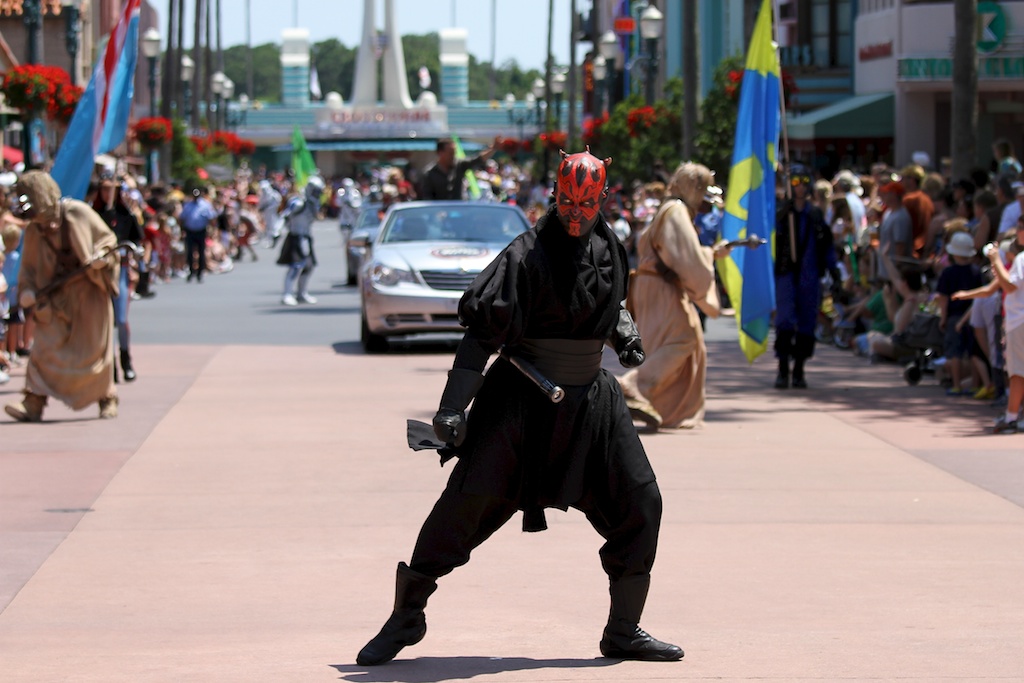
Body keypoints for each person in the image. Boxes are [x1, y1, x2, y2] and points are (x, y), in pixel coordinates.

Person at [356, 150, 683, 666]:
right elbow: (481, 335)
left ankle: (623, 629)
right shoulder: (525, 254)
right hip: (521, 406)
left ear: (602, 199)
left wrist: (623, 334)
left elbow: (609, 299)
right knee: (463, 508)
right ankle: (406, 617)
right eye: (568, 201)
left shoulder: (610, 246)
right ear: (555, 193)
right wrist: (451, 409)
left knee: (641, 504)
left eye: (588, 203)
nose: (576, 212)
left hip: (592, 405)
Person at [618, 162, 732, 430]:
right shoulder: (677, 211)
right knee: (684, 338)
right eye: (701, 189)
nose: (704, 198)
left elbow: (681, 254)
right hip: (659, 286)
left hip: (654, 285)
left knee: (675, 342)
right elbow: (686, 260)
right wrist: (708, 258)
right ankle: (634, 386)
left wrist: (712, 253)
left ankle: (655, 402)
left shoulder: (670, 209)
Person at [4, 171, 120, 422]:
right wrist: (26, 290)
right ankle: (33, 401)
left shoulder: (77, 212)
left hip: (88, 293)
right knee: (44, 347)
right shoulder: (35, 230)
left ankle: (106, 397)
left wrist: (102, 257)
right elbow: (29, 267)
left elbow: (108, 241)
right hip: (56, 298)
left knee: (94, 349)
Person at [774, 164, 840, 389]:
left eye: (803, 182)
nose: (799, 187)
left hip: (809, 276)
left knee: (807, 322)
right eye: (794, 182)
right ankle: (782, 369)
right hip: (786, 274)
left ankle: (799, 369)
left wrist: (834, 271)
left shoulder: (815, 214)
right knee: (784, 320)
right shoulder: (781, 213)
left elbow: (827, 245)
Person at [955, 223, 1024, 433]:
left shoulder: (1021, 260)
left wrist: (995, 260)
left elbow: (1010, 285)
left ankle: (1011, 418)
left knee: (1017, 373)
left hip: (1019, 322)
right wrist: (966, 295)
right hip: (1016, 322)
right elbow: (993, 288)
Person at [92, 176, 143, 383]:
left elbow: (137, 241)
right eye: (104, 189)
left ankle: (126, 360)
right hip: (100, 271)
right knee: (104, 321)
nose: (108, 193)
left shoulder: (125, 215)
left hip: (120, 270)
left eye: (112, 189)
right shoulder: (94, 215)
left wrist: (136, 260)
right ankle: (109, 364)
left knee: (121, 319)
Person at [276, 175, 324, 306]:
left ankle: (301, 293)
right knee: (295, 267)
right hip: (295, 236)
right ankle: (287, 294)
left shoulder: (312, 205)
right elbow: (284, 216)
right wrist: (276, 232)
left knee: (309, 266)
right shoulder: (298, 203)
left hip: (306, 237)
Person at [419, 137, 499, 200]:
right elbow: (427, 197)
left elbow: (477, 159)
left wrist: (494, 148)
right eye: (450, 153)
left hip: (459, 212)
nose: (453, 156)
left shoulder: (459, 165)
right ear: (440, 153)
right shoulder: (429, 173)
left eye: (454, 153)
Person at [178, 186, 218, 283]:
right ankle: (192, 271)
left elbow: (212, 218)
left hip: (201, 231)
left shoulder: (205, 205)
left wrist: (213, 230)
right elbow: (181, 218)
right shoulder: (187, 205)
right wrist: (182, 230)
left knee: (201, 252)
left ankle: (200, 272)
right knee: (190, 252)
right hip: (190, 231)